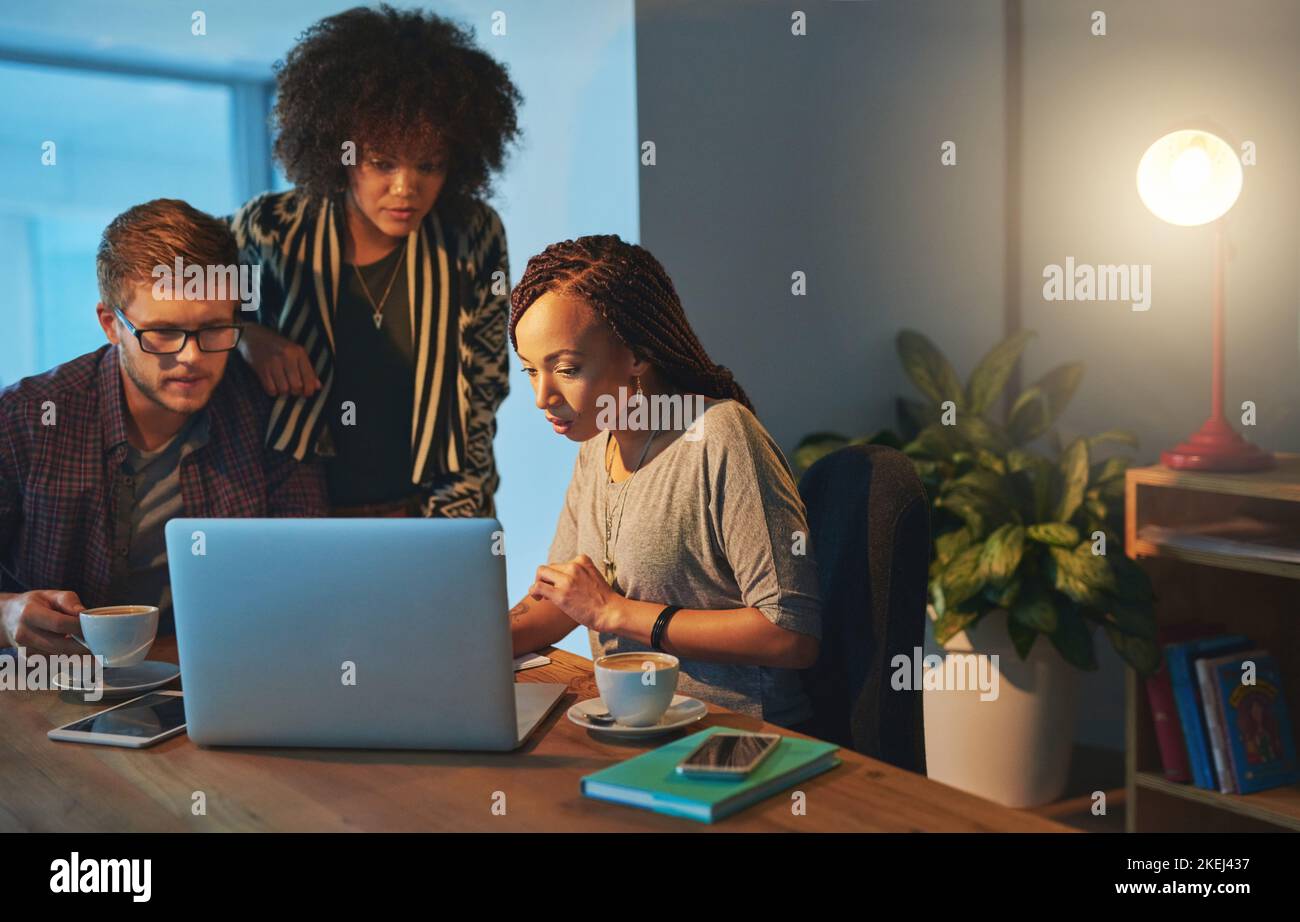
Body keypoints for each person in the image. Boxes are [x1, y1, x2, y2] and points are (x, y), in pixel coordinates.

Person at [507, 235, 823, 728]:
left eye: (566, 369)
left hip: (734, 735)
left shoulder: (721, 435)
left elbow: (790, 635)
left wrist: (616, 613)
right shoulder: (598, 445)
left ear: (637, 353)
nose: (542, 396)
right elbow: (562, 606)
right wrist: (465, 645)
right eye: (530, 371)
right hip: (629, 725)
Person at [0, 199, 328, 655]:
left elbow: (308, 575)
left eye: (214, 328)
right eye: (163, 332)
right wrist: (7, 612)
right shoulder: (25, 420)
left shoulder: (266, 409)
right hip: (48, 691)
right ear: (111, 324)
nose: (191, 357)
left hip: (214, 676)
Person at [229, 5, 520, 517]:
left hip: (433, 508)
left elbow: (484, 388)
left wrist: (452, 531)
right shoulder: (269, 230)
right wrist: (245, 337)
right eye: (382, 163)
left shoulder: (473, 235)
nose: (406, 188)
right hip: (292, 511)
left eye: (428, 165)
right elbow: (189, 327)